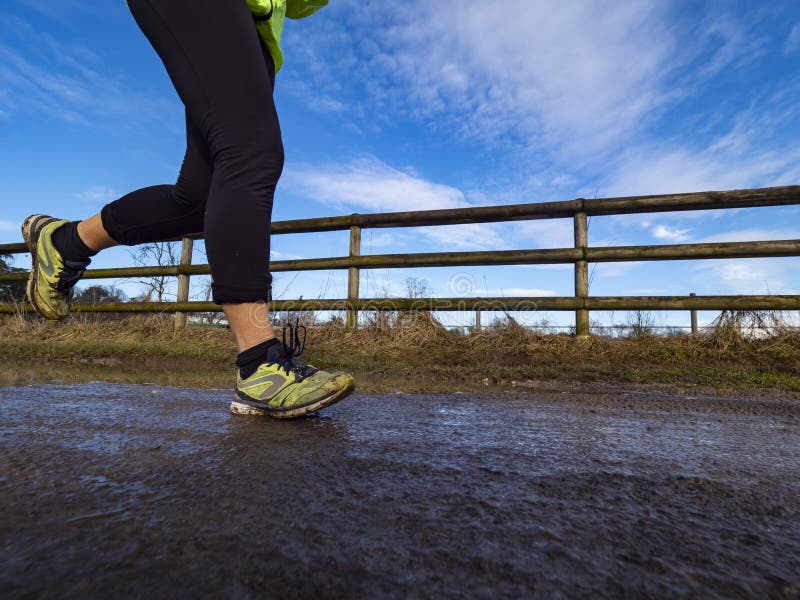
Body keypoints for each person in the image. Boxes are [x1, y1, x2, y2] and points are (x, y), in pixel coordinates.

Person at [21, 0, 355, 419]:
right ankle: (260, 362)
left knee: (200, 198)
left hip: (256, 29)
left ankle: (66, 241)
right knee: (251, 154)